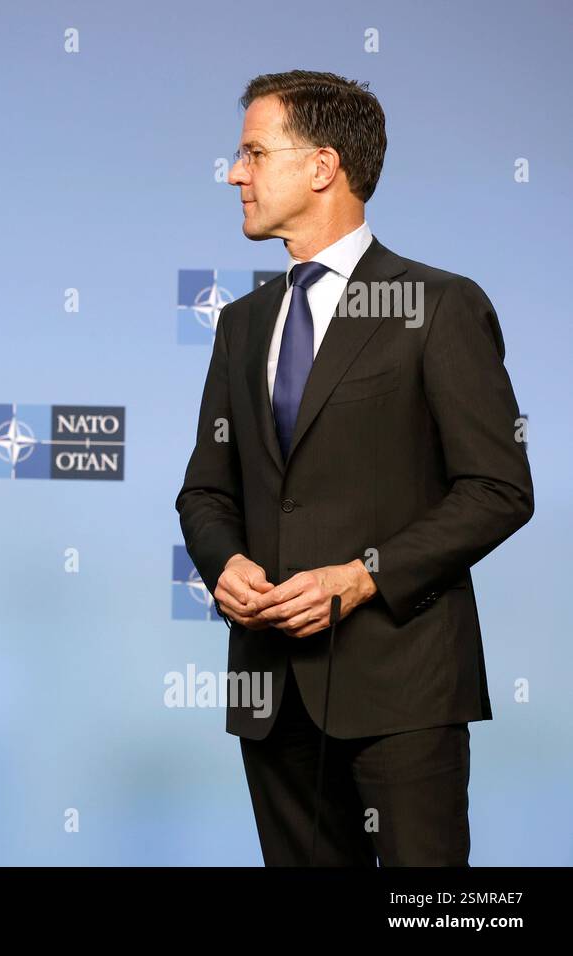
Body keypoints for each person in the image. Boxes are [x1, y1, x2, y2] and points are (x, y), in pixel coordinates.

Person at [175, 71, 533, 865]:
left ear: (322, 166)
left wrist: (363, 576)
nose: (235, 173)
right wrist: (222, 560)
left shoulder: (437, 305)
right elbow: (205, 488)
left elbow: (499, 489)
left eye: (253, 153)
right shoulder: (241, 325)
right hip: (268, 691)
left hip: (402, 685)